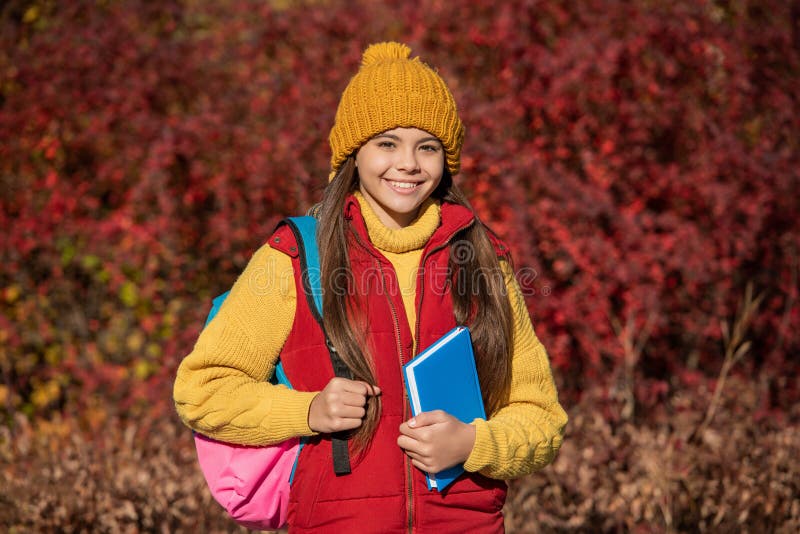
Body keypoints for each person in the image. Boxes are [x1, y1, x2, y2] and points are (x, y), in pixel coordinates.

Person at [174, 41, 567, 533]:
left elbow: (542, 419)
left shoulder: (485, 260)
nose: (408, 163)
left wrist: (472, 444)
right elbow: (202, 392)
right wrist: (309, 410)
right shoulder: (295, 256)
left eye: (427, 146)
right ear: (352, 154)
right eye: (386, 143)